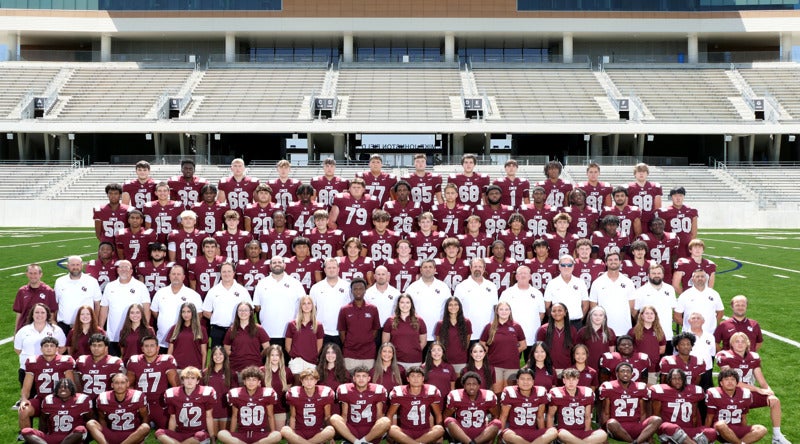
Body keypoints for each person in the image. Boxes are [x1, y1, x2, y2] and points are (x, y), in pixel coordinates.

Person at [715, 332, 790, 442]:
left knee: (774, 401)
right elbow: (731, 381)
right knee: (734, 425)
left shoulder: (753, 357)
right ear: (732, 344)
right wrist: (758, 389)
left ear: (747, 344)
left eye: (743, 341)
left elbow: (761, 379)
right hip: (731, 394)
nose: (740, 344)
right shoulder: (724, 355)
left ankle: (777, 436)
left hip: (747, 393)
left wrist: (769, 391)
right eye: (737, 341)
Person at [17, 336, 75, 432]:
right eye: (46, 346)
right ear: (41, 348)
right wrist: (23, 399)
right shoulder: (33, 362)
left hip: (60, 400)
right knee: (23, 411)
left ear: (57, 349)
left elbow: (71, 386)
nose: (48, 348)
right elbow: (26, 387)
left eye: (52, 346)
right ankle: (29, 438)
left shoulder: (65, 361)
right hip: (41, 399)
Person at [15, 304, 68, 403]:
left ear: (47, 314)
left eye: (43, 312)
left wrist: (50, 359)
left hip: (50, 371)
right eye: (37, 312)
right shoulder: (23, 331)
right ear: (32, 314)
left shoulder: (56, 330)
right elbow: (18, 349)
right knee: (27, 401)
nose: (40, 315)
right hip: (27, 370)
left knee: (52, 402)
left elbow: (62, 347)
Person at [599, 362, 662, 443]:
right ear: (617, 373)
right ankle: (633, 442)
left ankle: (637, 441)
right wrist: (605, 432)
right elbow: (605, 413)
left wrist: (645, 432)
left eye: (628, 371)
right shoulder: (609, 387)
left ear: (632, 374)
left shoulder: (640, 387)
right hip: (618, 427)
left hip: (635, 425)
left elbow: (643, 413)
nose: (625, 373)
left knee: (657, 419)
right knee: (611, 423)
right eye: (622, 371)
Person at [253, 254, 305, 353]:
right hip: (267, 332)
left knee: (288, 365)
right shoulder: (262, 283)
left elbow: (303, 306)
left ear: (284, 265)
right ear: (270, 266)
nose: (277, 264)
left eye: (279, 262)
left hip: (290, 333)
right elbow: (257, 307)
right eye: (274, 262)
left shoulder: (295, 283)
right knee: (268, 365)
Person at [126, 335, 179, 430]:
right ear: (142, 348)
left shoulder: (166, 360)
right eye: (146, 346)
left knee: (168, 427)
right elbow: (129, 386)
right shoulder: (134, 361)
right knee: (130, 428)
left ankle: (153, 422)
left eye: (152, 346)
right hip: (141, 404)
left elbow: (176, 386)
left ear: (158, 348)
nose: (149, 349)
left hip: (160, 404)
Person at [218, 366, 282, 444]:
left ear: (259, 382)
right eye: (248, 380)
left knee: (277, 435)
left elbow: (270, 415)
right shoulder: (236, 394)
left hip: (260, 434)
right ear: (244, 381)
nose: (251, 382)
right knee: (221, 434)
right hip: (243, 433)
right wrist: (232, 435)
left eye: (254, 380)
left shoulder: (266, 393)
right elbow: (234, 416)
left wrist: (272, 432)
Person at [98, 260, 151, 355]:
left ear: (131, 271)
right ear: (117, 270)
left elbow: (146, 309)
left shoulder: (140, 286)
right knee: (113, 363)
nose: (123, 270)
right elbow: (104, 309)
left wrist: (145, 327)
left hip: (134, 336)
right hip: (113, 334)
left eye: (126, 268)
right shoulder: (110, 286)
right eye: (121, 268)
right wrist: (101, 328)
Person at [650, 368, 715, 444]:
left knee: (712, 432)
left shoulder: (693, 391)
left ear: (684, 379)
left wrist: (697, 430)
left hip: (687, 429)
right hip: (670, 430)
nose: (677, 381)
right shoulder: (661, 391)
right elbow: (656, 415)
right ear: (669, 380)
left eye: (680, 378)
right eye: (674, 378)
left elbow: (694, 416)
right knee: (669, 427)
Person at [329, 365, 392, 444]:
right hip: (352, 429)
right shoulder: (345, 390)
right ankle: (357, 442)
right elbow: (344, 415)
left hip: (370, 429)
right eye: (358, 376)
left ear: (369, 378)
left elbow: (379, 415)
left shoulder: (377, 390)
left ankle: (362, 441)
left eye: (364, 376)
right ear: (354, 379)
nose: (361, 379)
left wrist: (379, 430)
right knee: (334, 418)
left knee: (386, 420)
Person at [705, 368, 768, 444]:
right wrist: (708, 434)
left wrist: (744, 432)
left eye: (732, 379)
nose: (730, 382)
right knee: (720, 424)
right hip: (719, 431)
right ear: (721, 383)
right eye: (726, 379)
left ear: (737, 382)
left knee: (762, 429)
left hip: (737, 428)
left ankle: (737, 442)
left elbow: (743, 417)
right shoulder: (714, 393)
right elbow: (709, 417)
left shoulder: (745, 393)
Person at [156, 366, 217, 444]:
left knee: (201, 435)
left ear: (198, 381)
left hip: (198, 433)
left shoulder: (205, 392)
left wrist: (212, 437)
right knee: (159, 432)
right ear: (182, 380)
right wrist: (171, 435)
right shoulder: (173, 394)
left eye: (193, 378)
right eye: (187, 378)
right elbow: (173, 417)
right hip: (181, 433)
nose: (189, 381)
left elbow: (209, 416)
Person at [20, 378, 92, 444]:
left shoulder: (82, 400)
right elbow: (43, 422)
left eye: (66, 387)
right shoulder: (49, 400)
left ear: (72, 389)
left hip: (72, 437)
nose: (63, 389)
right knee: (26, 431)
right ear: (56, 390)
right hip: (53, 436)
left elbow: (90, 421)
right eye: (60, 387)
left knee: (81, 429)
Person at [86, 372, 151, 444]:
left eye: (122, 382)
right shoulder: (103, 398)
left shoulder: (137, 396)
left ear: (127, 384)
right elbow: (102, 419)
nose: (119, 386)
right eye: (116, 383)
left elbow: (145, 417)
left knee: (145, 427)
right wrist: (106, 434)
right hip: (113, 433)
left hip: (132, 434)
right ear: (112, 385)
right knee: (91, 423)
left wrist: (141, 435)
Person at [498, 367, 558, 444]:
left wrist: (542, 434)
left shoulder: (540, 392)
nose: (525, 382)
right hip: (515, 432)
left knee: (553, 431)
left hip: (533, 431)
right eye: (522, 379)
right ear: (517, 381)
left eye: (528, 379)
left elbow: (540, 417)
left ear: (533, 381)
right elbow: (503, 416)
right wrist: (500, 436)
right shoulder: (510, 392)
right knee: (507, 435)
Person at [386, 365, 445, 444]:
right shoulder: (399, 392)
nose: (416, 379)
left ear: (423, 378)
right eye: (412, 376)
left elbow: (438, 414)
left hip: (425, 431)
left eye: (418, 376)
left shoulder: (431, 392)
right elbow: (390, 414)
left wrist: (439, 435)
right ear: (408, 379)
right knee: (392, 429)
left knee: (440, 429)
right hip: (405, 432)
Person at [152, 264, 204, 352]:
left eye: (178, 274)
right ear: (169, 276)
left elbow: (198, 315)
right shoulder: (160, 293)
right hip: (162, 341)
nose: (176, 276)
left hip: (184, 342)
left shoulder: (193, 295)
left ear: (183, 277)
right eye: (173, 274)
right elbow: (155, 312)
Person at [547, 368, 607, 444]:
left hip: (582, 431)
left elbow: (587, 416)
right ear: (564, 380)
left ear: (578, 380)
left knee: (603, 434)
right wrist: (550, 438)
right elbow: (550, 416)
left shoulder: (586, 392)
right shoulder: (557, 393)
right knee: (562, 434)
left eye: (574, 379)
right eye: (568, 379)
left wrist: (587, 433)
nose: (571, 382)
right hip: (566, 432)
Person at [499, 265, 545, 362]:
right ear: (516, 277)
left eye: (525, 273)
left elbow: (541, 313)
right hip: (512, 336)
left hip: (532, 336)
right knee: (511, 364)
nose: (523, 275)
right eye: (520, 273)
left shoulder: (537, 293)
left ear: (530, 276)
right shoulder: (507, 293)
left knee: (533, 364)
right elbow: (500, 312)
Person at [203, 261, 253, 348]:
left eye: (229, 271)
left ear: (234, 273)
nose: (226, 274)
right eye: (224, 272)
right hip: (218, 331)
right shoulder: (213, 291)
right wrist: (218, 318)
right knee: (218, 357)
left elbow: (250, 309)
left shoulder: (242, 290)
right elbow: (206, 311)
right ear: (220, 273)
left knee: (236, 356)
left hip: (237, 330)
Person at [443, 372, 501, 444]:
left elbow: (495, 415)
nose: (471, 387)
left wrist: (489, 437)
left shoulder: (488, 396)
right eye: (468, 384)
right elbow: (446, 416)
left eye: (474, 384)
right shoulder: (456, 396)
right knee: (449, 420)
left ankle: (473, 442)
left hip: (481, 433)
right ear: (464, 386)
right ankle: (469, 442)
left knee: (497, 423)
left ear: (479, 385)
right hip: (462, 432)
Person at [480, 301, 526, 393]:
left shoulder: (516, 326)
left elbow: (523, 345)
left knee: (509, 393)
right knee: (496, 393)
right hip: (495, 365)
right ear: (497, 311)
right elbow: (482, 343)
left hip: (512, 366)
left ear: (510, 311)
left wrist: (512, 352)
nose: (504, 311)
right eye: (501, 309)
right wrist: (492, 352)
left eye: (506, 309)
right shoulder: (489, 326)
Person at [281, 368, 336, 444]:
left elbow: (327, 417)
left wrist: (331, 437)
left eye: (311, 379)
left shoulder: (324, 393)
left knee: (330, 430)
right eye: (306, 379)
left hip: (317, 432)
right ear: (302, 381)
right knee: (285, 430)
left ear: (316, 381)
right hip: (300, 431)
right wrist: (292, 434)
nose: (309, 382)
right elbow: (293, 417)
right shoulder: (295, 394)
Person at [589, 252, 636, 337]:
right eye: (610, 260)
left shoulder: (628, 282)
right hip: (603, 330)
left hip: (624, 329)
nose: (613, 262)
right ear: (606, 262)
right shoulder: (597, 282)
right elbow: (593, 307)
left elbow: (631, 307)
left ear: (620, 262)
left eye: (615, 259)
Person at [338, 278, 381, 371]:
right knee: (350, 381)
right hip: (350, 353)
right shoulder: (345, 309)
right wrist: (349, 343)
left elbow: (375, 330)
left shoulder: (373, 309)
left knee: (366, 381)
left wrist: (366, 341)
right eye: (355, 289)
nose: (358, 291)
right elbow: (342, 331)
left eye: (361, 288)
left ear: (365, 290)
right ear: (351, 291)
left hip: (368, 353)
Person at [634, 262, 677, 352]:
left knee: (666, 363)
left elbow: (674, 308)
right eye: (653, 273)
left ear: (663, 274)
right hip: (647, 335)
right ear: (649, 275)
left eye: (659, 273)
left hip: (667, 334)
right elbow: (635, 312)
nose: (656, 275)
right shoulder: (641, 291)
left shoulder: (670, 289)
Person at [54, 255, 102, 335]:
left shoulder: (92, 281)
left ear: (82, 265)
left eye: (77, 264)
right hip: (64, 326)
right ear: (67, 266)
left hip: (86, 326)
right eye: (72, 265)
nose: (75, 267)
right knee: (63, 347)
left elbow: (97, 304)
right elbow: (56, 303)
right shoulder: (60, 281)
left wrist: (95, 322)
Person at [454, 257, 498, 343]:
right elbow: (455, 309)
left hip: (488, 332)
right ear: (470, 268)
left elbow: (495, 309)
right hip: (468, 333)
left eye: (480, 267)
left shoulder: (492, 286)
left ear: (484, 269)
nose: (477, 269)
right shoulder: (461, 286)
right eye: (475, 266)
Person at [309, 258, 351, 346]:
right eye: (329, 268)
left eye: (334, 267)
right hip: (322, 331)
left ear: (338, 269)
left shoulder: (348, 287)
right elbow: (310, 310)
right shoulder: (316, 287)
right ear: (324, 270)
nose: (331, 270)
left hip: (343, 332)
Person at [74, 334, 125, 402]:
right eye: (94, 345)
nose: (96, 348)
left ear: (106, 347)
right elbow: (77, 380)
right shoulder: (82, 361)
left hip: (106, 401)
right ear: (90, 347)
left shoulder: (114, 362)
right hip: (86, 400)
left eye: (100, 345)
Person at [382, 294, 427, 369]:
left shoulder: (420, 321)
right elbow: (385, 343)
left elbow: (423, 342)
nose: (405, 305)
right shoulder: (390, 321)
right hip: (396, 361)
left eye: (407, 302)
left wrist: (413, 351)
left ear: (411, 304)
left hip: (414, 361)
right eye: (402, 302)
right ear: (398, 304)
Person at [543, 254, 587, 330]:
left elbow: (585, 305)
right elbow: (547, 306)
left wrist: (580, 318)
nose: (566, 267)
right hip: (558, 324)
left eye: (569, 265)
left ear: (573, 266)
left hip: (576, 323)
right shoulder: (552, 283)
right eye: (563, 265)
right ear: (559, 266)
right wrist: (555, 319)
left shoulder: (581, 283)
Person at [225, 301, 270, 374]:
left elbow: (267, 348)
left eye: (246, 310)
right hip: (236, 370)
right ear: (237, 312)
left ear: (251, 312)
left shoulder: (258, 329)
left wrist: (258, 355)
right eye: (240, 310)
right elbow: (226, 350)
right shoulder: (231, 330)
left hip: (255, 370)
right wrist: (236, 355)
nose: (243, 312)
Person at [674, 269, 723, 335]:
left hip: (710, 334)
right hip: (690, 335)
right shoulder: (685, 295)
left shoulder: (714, 294)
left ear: (706, 279)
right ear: (693, 279)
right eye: (697, 276)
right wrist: (688, 327)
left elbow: (720, 312)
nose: (700, 278)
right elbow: (677, 316)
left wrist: (713, 326)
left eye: (702, 276)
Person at [628, 305, 666, 386]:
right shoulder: (633, 331)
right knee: (637, 389)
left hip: (653, 367)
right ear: (641, 316)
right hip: (637, 367)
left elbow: (662, 349)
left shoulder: (659, 331)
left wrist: (652, 356)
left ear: (655, 316)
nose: (649, 315)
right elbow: (628, 349)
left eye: (652, 313)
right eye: (647, 313)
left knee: (651, 390)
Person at [285, 295, 324, 373]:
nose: (306, 306)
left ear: (312, 306)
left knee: (309, 384)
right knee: (296, 384)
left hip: (311, 362)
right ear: (300, 306)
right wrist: (294, 357)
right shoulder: (292, 324)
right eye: (304, 303)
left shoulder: (318, 325)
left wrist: (313, 356)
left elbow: (319, 346)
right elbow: (287, 345)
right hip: (296, 362)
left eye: (309, 303)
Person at [14, 263, 57, 332]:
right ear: (27, 274)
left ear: (40, 274)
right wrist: (16, 331)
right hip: (24, 328)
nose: (33, 276)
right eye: (30, 273)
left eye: (35, 273)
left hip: (42, 329)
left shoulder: (49, 291)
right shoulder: (22, 291)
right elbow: (19, 313)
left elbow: (51, 314)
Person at [433, 296, 472, 373]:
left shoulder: (466, 322)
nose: (453, 307)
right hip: (445, 361)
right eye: (450, 305)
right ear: (447, 307)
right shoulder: (440, 324)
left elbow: (467, 343)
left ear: (459, 306)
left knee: (459, 383)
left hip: (461, 360)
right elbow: (438, 344)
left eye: (456, 304)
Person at [535, 303, 577, 371]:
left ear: (565, 312)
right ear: (550, 313)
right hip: (548, 368)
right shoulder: (543, 329)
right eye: (554, 311)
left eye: (560, 310)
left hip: (567, 369)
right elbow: (537, 350)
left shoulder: (572, 330)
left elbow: (575, 350)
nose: (557, 313)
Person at [637, 217, 680, 283]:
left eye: (660, 224)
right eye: (655, 224)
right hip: (651, 270)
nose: (658, 226)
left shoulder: (672, 237)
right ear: (650, 228)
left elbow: (674, 256)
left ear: (664, 225)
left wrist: (673, 270)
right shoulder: (644, 238)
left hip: (666, 271)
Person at [166, 302, 208, 370]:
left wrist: (203, 368)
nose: (186, 314)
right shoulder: (174, 329)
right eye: (183, 312)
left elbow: (204, 352)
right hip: (177, 367)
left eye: (188, 312)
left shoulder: (201, 329)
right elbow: (170, 351)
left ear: (193, 313)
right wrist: (169, 366)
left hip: (195, 368)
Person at [660, 186, 698, 257]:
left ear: (684, 196)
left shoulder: (692, 211)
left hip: (687, 245)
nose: (678, 198)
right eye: (675, 196)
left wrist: (691, 245)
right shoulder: (665, 211)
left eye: (680, 195)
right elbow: (661, 232)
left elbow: (694, 232)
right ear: (671, 197)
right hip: (670, 245)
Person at [263, 344, 295, 428]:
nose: (274, 358)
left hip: (281, 409)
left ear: (281, 357)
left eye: (277, 355)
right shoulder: (262, 371)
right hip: (264, 409)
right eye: (272, 355)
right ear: (268, 356)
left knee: (278, 435)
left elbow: (289, 387)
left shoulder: (287, 371)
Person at [576, 305, 616, 372]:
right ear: (590, 316)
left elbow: (611, 352)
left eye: (601, 315)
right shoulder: (582, 331)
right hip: (587, 367)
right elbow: (577, 351)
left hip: (604, 368)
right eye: (595, 315)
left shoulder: (609, 332)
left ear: (604, 318)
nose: (598, 317)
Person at [315, 343, 351, 415]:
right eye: (328, 352)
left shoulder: (344, 373)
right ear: (324, 355)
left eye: (333, 352)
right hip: (320, 409)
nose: (330, 355)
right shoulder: (317, 372)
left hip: (338, 410)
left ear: (337, 354)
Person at [204, 345, 233, 433]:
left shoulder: (231, 373)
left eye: (220, 354)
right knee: (213, 438)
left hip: (226, 412)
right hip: (210, 413)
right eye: (215, 354)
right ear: (211, 357)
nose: (218, 357)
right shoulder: (205, 373)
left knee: (225, 438)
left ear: (225, 356)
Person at [627, 162, 662, 233]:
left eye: (644, 171)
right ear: (635, 173)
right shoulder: (629, 187)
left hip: (650, 220)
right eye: (639, 171)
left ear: (647, 173)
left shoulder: (655, 186)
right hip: (634, 220)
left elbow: (658, 207)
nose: (641, 173)